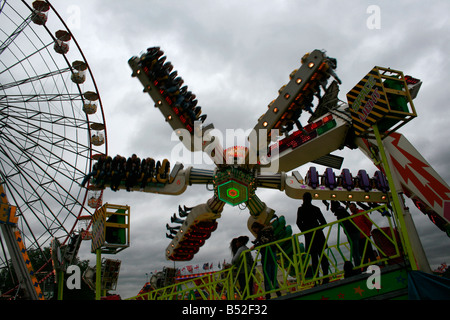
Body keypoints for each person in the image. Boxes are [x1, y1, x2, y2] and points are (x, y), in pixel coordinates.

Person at [296, 192, 329, 284]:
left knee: (315, 258)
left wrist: (307, 231)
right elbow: (324, 222)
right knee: (321, 256)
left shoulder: (301, 209)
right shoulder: (315, 209)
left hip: (310, 236)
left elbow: (298, 223)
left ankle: (317, 279)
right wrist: (317, 229)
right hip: (318, 235)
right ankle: (325, 277)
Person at [250, 222, 281, 299]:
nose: (255, 232)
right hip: (273, 252)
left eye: (255, 230)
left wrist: (255, 246)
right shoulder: (270, 231)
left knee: (267, 273)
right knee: (273, 272)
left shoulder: (262, 233)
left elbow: (264, 241)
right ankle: (277, 290)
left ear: (257, 228)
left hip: (267, 253)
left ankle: (268, 293)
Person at [330, 201, 361, 270]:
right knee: (355, 251)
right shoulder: (342, 211)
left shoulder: (340, 213)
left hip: (352, 232)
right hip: (352, 232)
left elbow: (344, 223)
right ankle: (358, 267)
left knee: (355, 252)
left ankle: (358, 268)